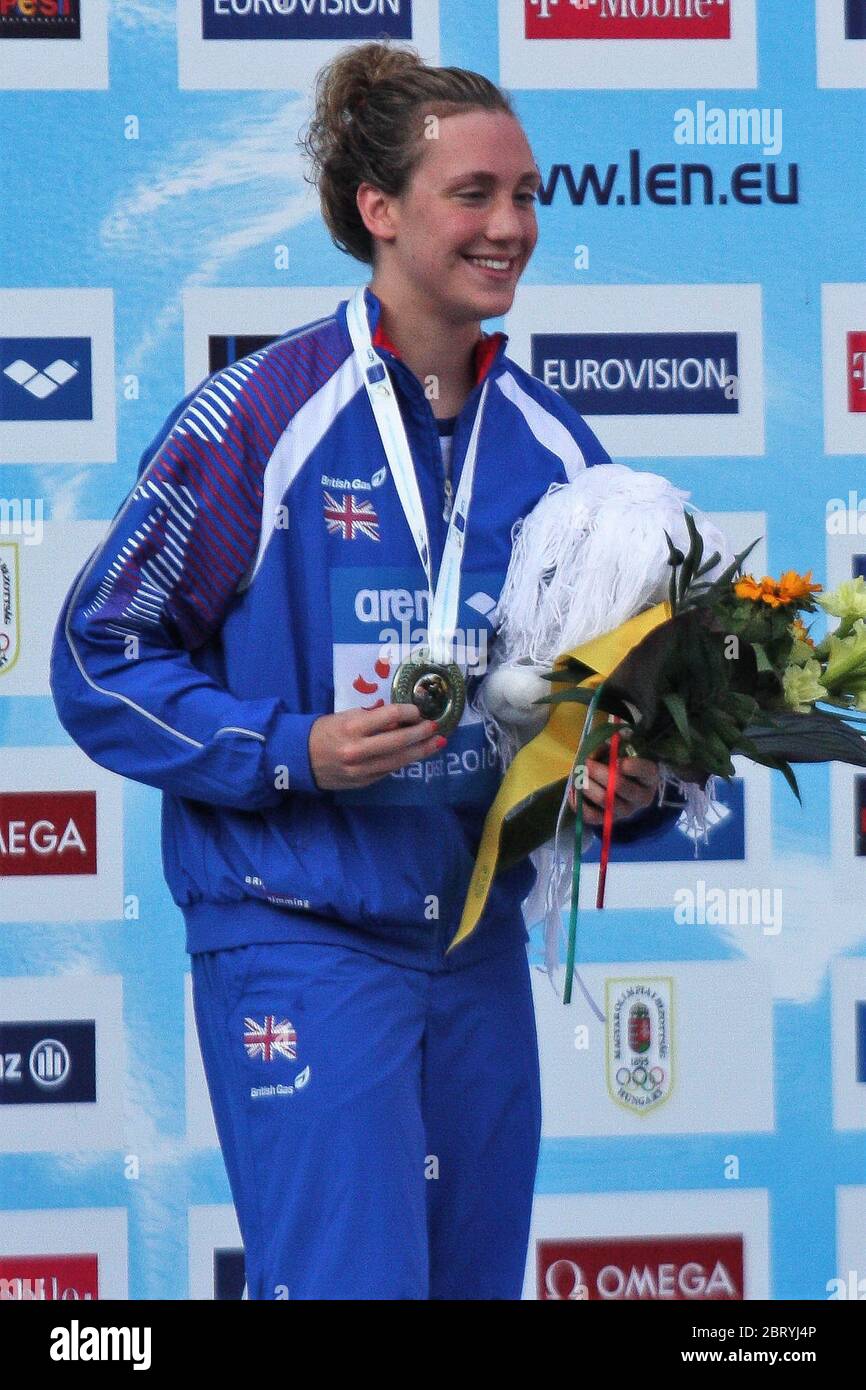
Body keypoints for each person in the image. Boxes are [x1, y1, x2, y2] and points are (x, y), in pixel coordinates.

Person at [50, 41, 673, 1301]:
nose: (511, 226)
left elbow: (612, 715)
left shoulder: (561, 451)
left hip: (473, 947)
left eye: (527, 195)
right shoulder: (259, 417)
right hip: (299, 935)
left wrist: (631, 782)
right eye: (473, 195)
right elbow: (97, 654)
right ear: (377, 212)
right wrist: (291, 749)